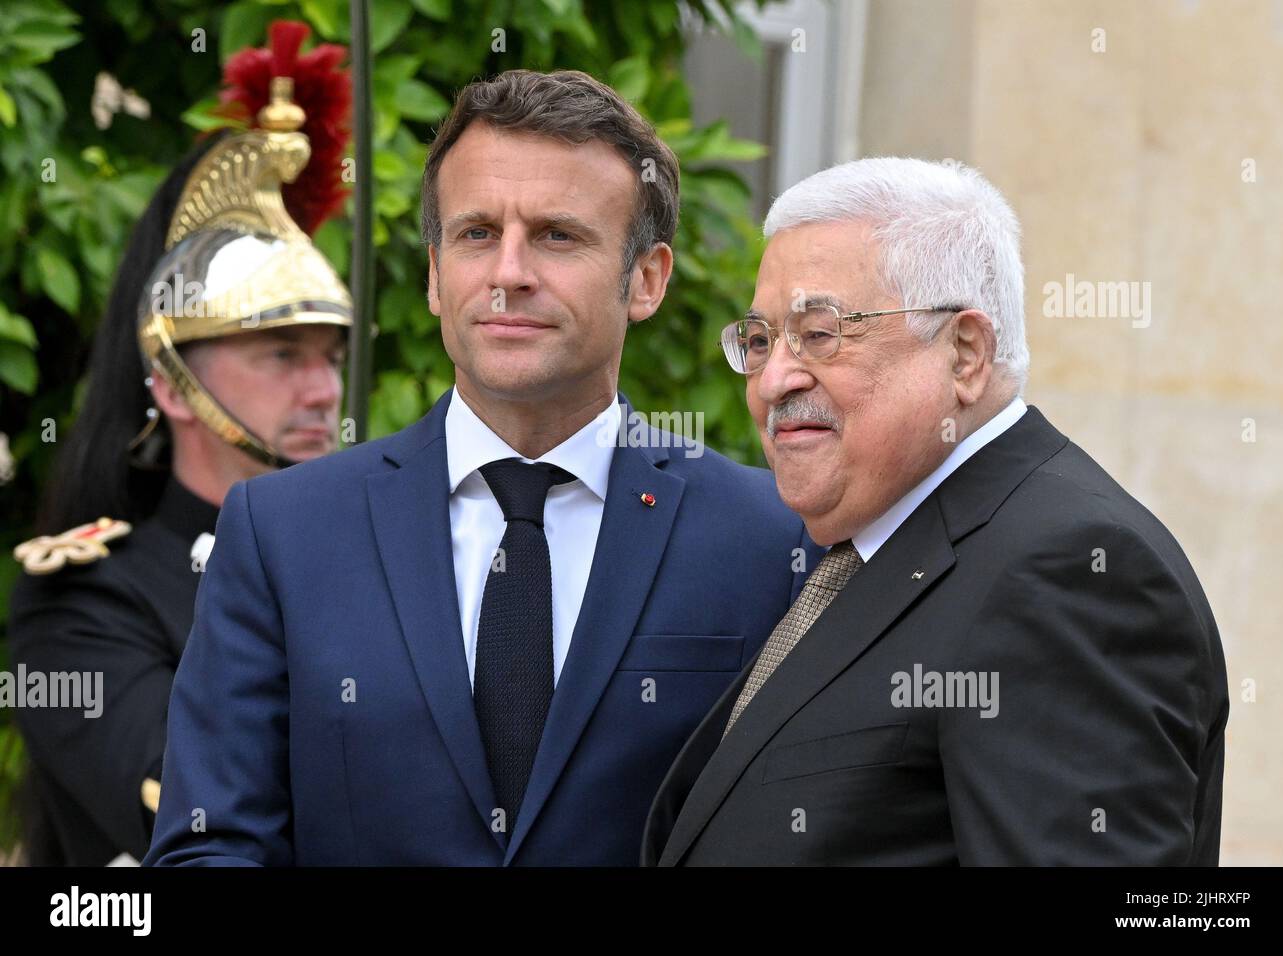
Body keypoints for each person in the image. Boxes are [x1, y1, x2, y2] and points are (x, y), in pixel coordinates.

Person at [143, 69, 811, 867]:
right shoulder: (283, 534)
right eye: (476, 234)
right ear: (433, 274)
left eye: (558, 235)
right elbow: (209, 848)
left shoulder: (772, 538)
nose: (509, 273)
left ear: (647, 279)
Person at [643, 156, 1229, 866]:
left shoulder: (1070, 572)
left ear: (965, 352)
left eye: (820, 332)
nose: (773, 379)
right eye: (761, 340)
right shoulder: (874, 542)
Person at [7, 21, 352, 866]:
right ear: (171, 386)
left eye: (330, 357)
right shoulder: (85, 600)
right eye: (281, 356)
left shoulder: (374, 555)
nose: (323, 390)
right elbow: (197, 813)